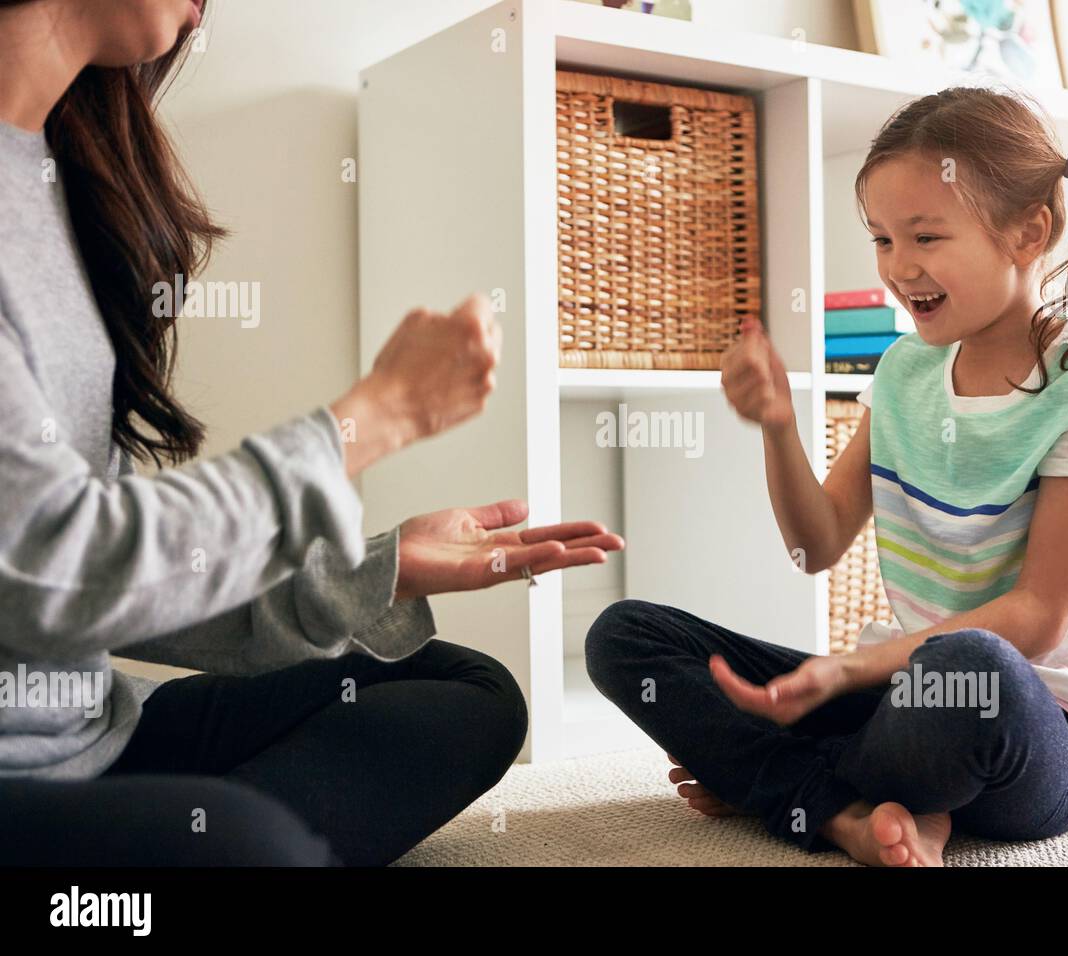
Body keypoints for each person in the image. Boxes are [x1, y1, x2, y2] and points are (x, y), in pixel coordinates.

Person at [0, 0, 623, 866]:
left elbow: (108, 568)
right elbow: (53, 571)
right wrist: (367, 423)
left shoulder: (50, 182)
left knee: (467, 689)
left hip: (92, 734)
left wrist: (378, 570)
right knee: (258, 848)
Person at [587, 85, 1068, 867]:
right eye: (881, 239)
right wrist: (778, 427)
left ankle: (785, 785)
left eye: (927, 236)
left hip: (1039, 729)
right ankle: (854, 807)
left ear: (1027, 232)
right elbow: (817, 545)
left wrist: (845, 671)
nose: (900, 268)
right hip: (896, 697)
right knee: (626, 635)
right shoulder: (904, 369)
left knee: (972, 669)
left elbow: (1037, 616)